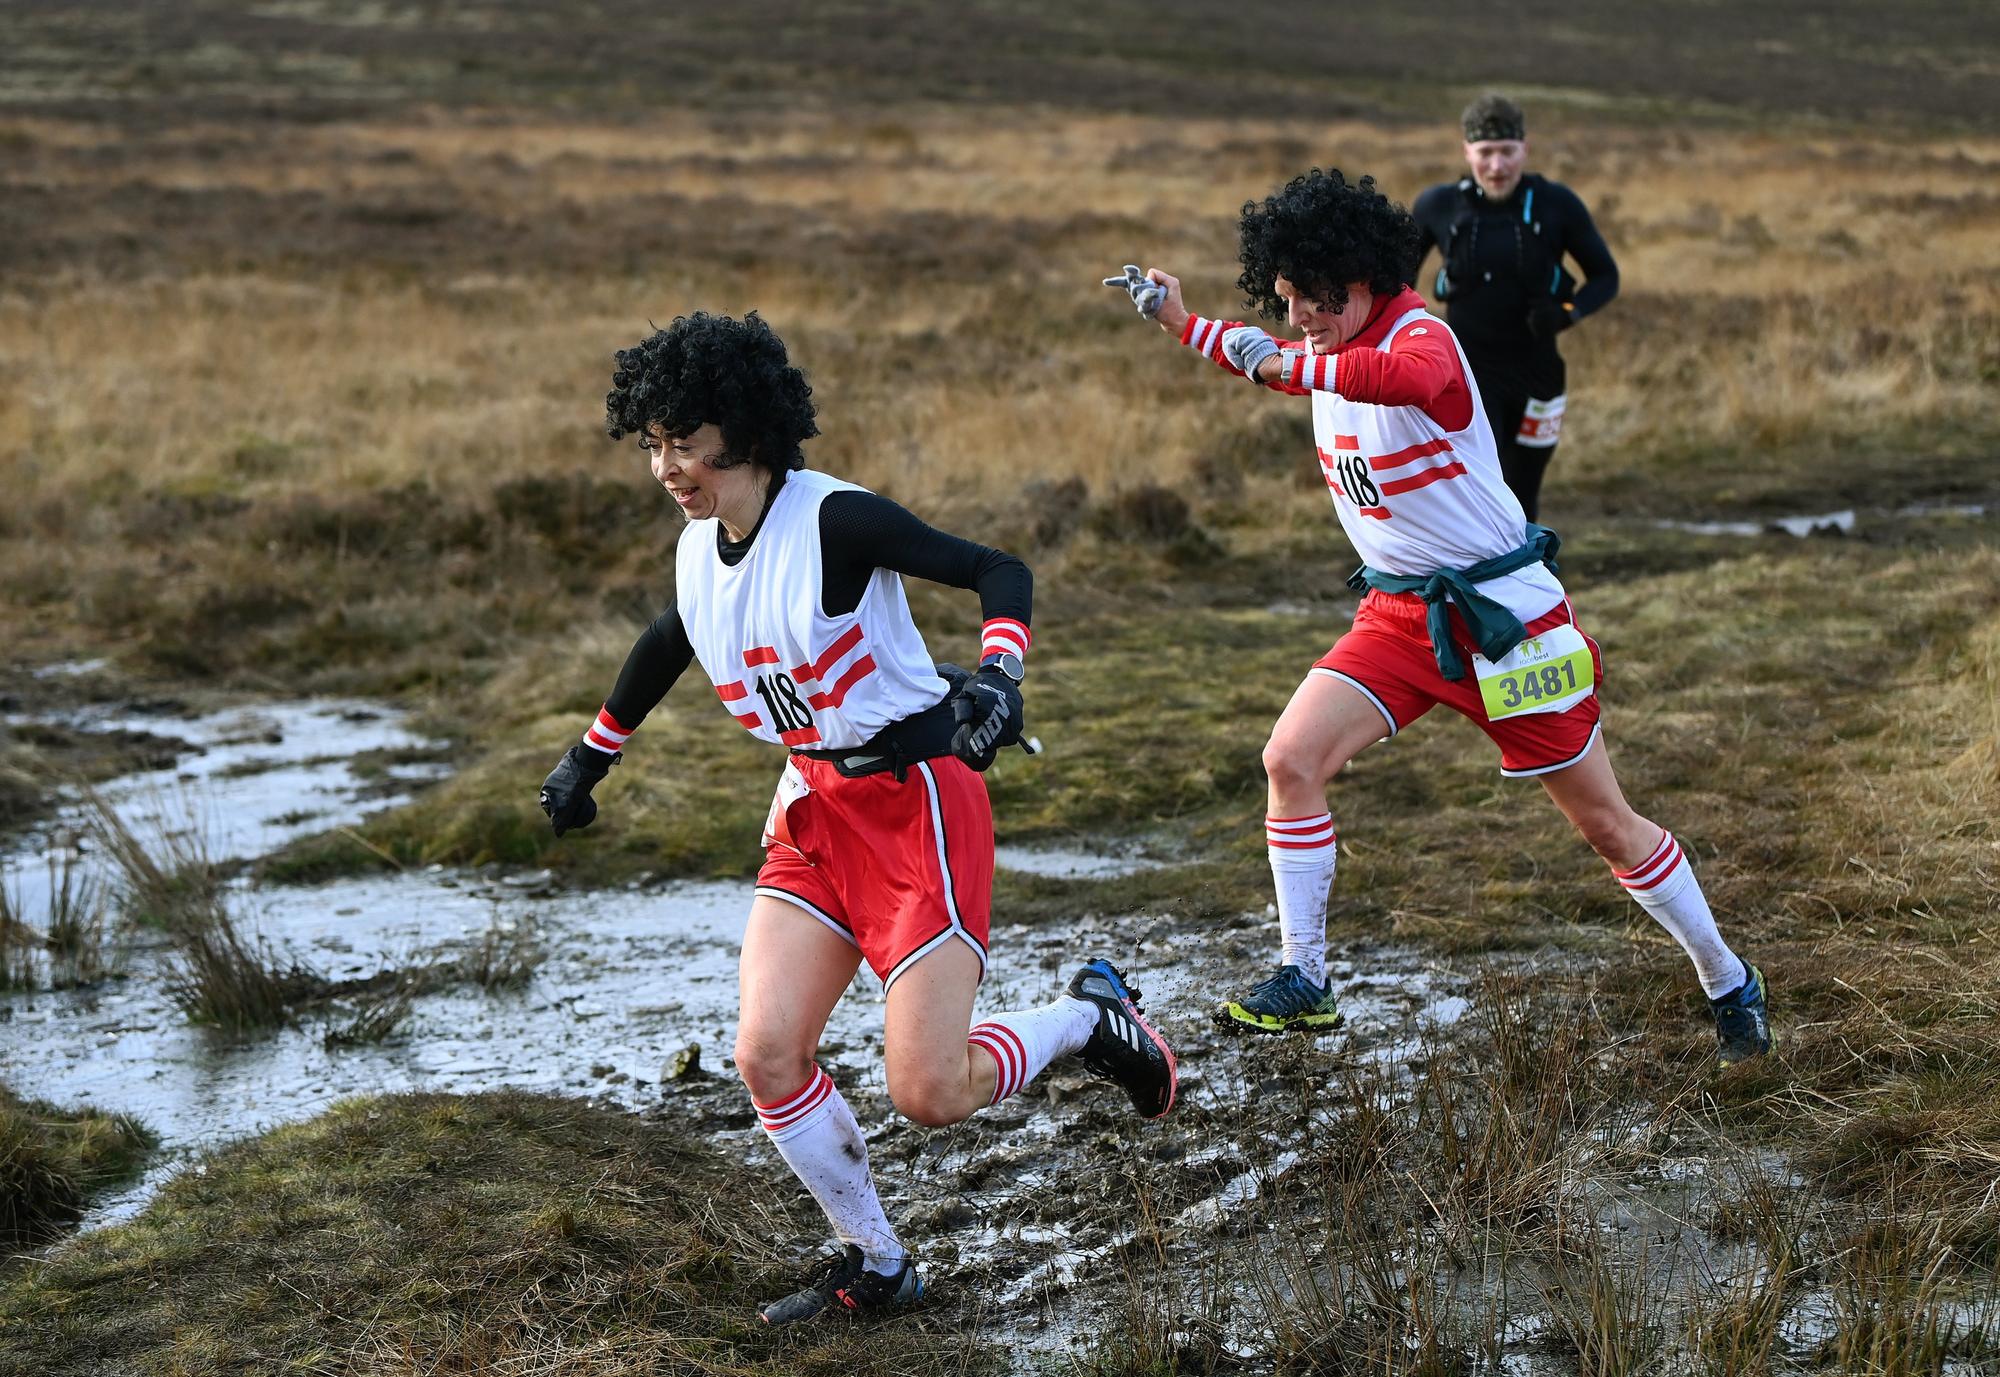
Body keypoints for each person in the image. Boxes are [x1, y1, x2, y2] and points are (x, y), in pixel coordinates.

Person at [538, 311, 1177, 1326]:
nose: (667, 466)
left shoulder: (834, 521)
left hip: (916, 804)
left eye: (684, 443)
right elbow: (670, 639)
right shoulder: (700, 547)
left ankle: (1087, 1021)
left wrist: (1000, 679)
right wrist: (591, 755)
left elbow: (997, 569)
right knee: (765, 1053)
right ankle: (877, 1264)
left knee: (930, 1091)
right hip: (812, 807)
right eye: (652, 443)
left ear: (742, 432)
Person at [1100, 169, 1769, 1068]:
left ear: (1362, 274)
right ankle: (1306, 979)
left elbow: (1380, 375)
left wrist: (1280, 359)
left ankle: (1728, 977)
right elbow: (1285, 359)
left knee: (1607, 823)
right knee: (1288, 760)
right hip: (1397, 616)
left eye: (1310, 299)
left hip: (1505, 622)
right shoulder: (1328, 342)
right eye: (1285, 300)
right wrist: (1181, 319)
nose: (1297, 318)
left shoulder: (1426, 343)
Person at [1409, 94, 1619, 521]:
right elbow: (1396, 287)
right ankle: (1478, 586)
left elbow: (1606, 277)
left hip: (1539, 378)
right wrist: (1415, 344)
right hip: (1467, 378)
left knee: (1525, 493)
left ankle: (1535, 584)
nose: (1497, 166)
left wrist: (1568, 313)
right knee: (1482, 489)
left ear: (1525, 148)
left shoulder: (1557, 204)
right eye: (1486, 153)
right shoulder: (1438, 206)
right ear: (1467, 151)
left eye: (1507, 152)